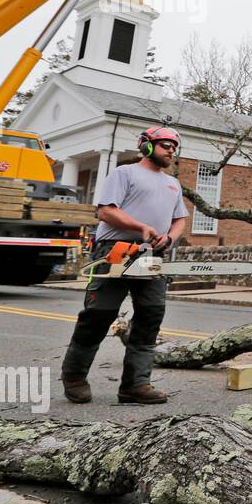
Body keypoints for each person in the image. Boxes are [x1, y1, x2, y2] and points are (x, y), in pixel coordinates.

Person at [60, 126, 189, 405]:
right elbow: (106, 210)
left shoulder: (173, 184)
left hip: (151, 255)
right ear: (146, 146)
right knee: (98, 315)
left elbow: (180, 219)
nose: (171, 150)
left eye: (173, 147)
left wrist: (169, 237)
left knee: (150, 316)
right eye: (165, 144)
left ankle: (135, 385)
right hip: (116, 251)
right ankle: (74, 377)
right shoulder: (124, 173)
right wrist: (141, 226)